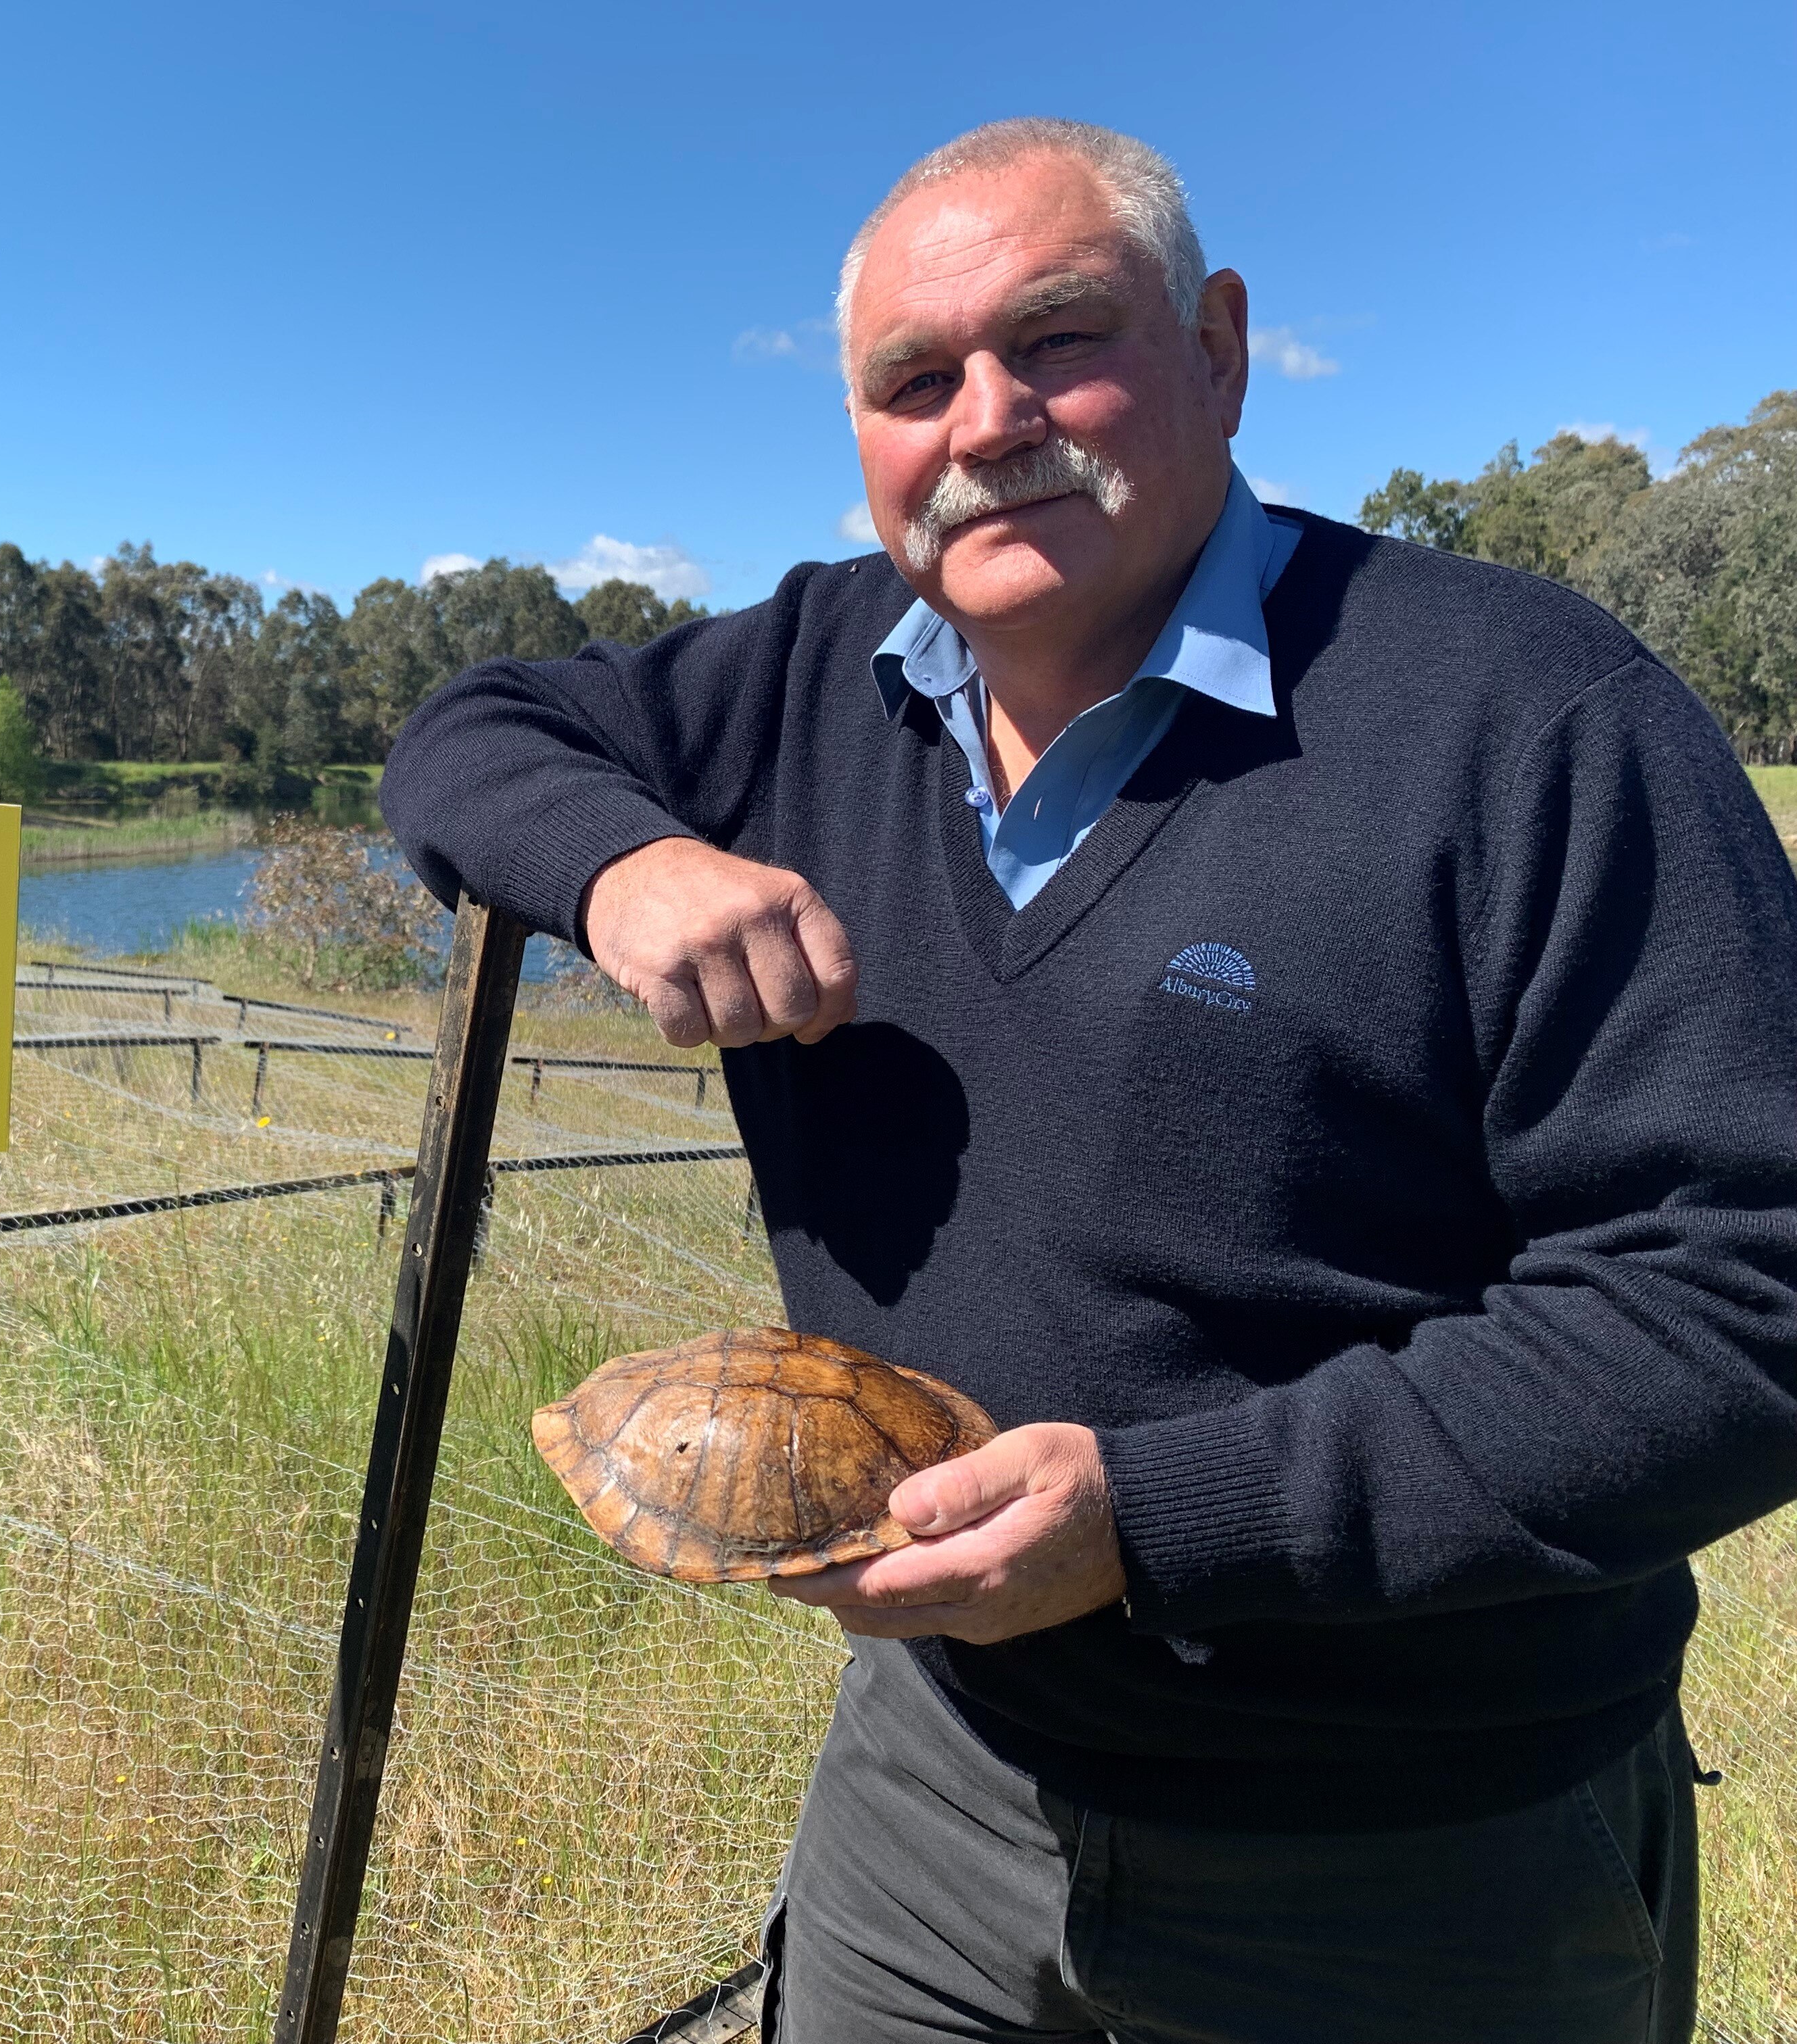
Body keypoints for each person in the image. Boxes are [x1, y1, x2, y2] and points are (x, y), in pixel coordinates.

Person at [379, 117, 1797, 2043]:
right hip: (933, 1802)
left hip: (1414, 1865)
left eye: (1056, 339)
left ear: (1220, 346)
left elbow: (1745, 1303)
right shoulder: (812, 672)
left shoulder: (1522, 718)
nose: (985, 420)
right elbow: (476, 733)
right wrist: (624, 866)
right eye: (911, 379)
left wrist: (1162, 1515)